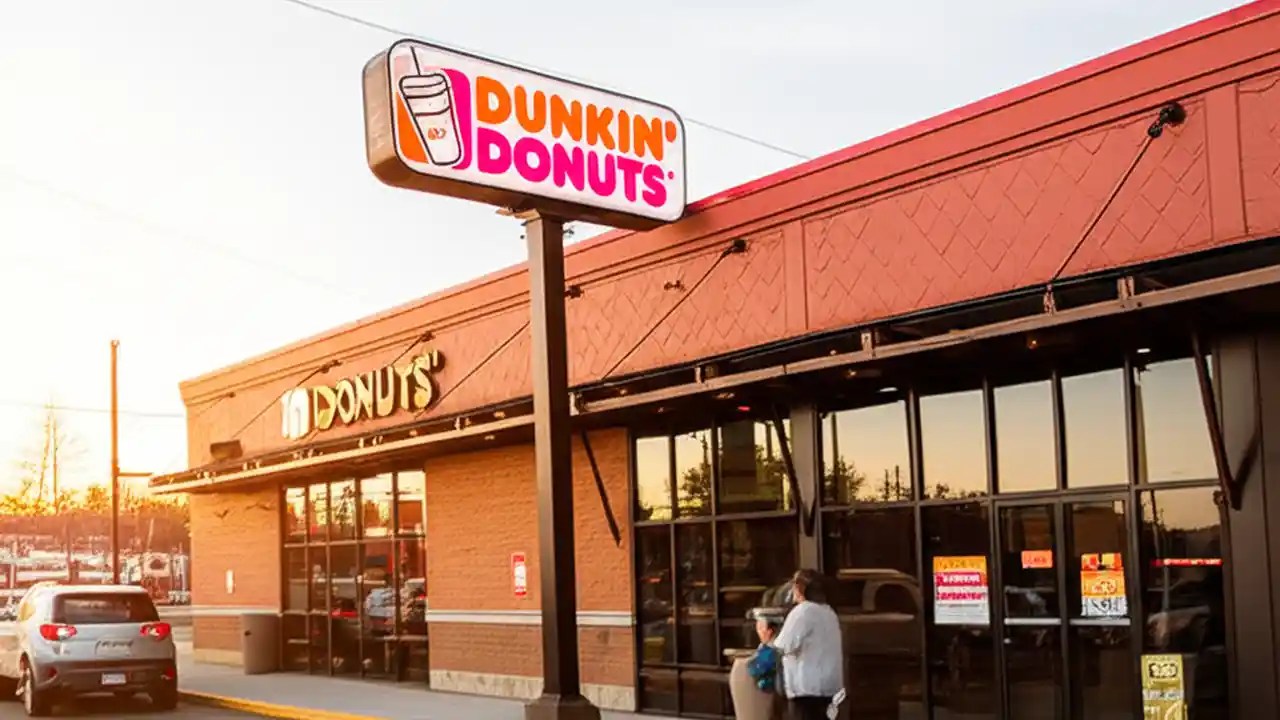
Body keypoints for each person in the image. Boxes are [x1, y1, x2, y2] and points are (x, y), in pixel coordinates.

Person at [773, 569, 843, 720]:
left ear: (799, 588)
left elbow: (783, 646)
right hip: (830, 689)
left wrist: (768, 637)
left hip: (806, 690)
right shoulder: (829, 612)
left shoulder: (803, 611)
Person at [747, 615, 782, 693]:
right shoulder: (764, 646)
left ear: (769, 631)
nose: (758, 632)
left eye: (760, 628)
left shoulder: (774, 649)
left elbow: (756, 668)